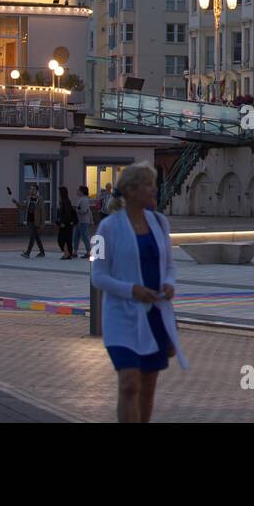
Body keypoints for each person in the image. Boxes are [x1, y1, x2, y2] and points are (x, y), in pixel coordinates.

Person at [90, 162, 186, 422]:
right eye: (148, 185)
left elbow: (169, 266)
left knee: (147, 386)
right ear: (131, 190)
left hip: (155, 313)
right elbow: (97, 276)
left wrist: (169, 283)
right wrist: (131, 290)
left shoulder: (160, 222)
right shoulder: (107, 228)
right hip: (121, 317)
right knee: (129, 383)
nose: (154, 190)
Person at [10, 185, 46, 258]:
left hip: (36, 221)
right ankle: (42, 252)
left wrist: (42, 224)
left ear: (37, 191)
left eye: (33, 189)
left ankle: (27, 253)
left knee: (32, 237)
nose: (31, 190)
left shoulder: (40, 199)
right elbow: (23, 207)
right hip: (29, 221)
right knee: (36, 237)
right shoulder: (28, 198)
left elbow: (42, 212)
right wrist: (16, 203)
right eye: (31, 189)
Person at [56, 187, 76, 260]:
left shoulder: (65, 201)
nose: (58, 194)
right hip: (65, 224)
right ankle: (67, 253)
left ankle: (67, 254)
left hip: (65, 225)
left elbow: (67, 213)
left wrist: (64, 222)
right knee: (66, 239)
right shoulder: (65, 201)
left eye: (59, 192)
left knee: (61, 240)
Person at [72, 185, 93, 258]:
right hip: (79, 221)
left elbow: (84, 211)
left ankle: (88, 252)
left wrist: (76, 210)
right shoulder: (81, 199)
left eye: (78, 190)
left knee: (84, 237)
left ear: (82, 191)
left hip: (83, 221)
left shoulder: (84, 200)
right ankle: (75, 251)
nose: (77, 191)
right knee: (76, 236)